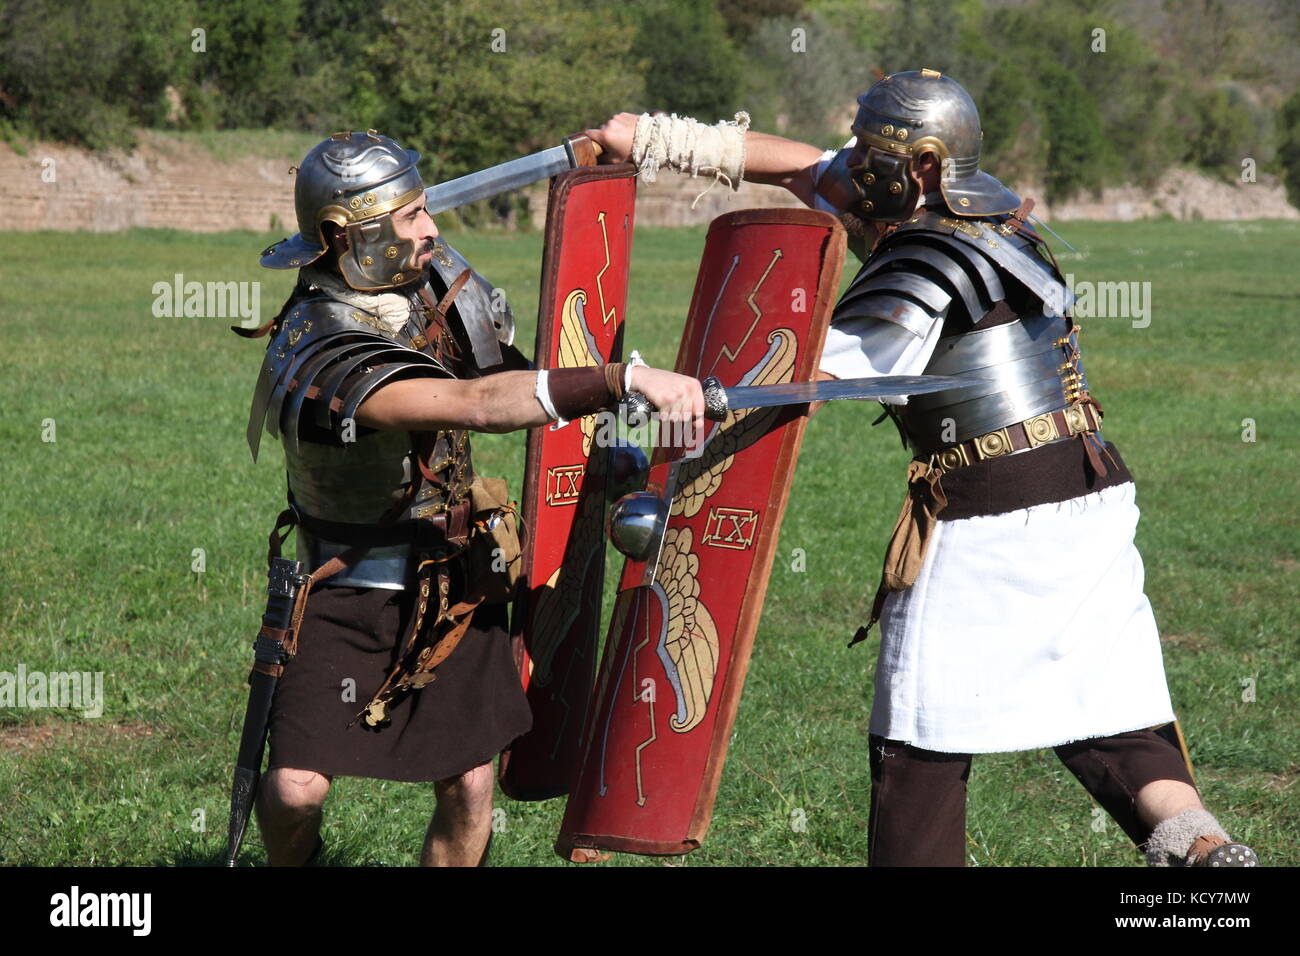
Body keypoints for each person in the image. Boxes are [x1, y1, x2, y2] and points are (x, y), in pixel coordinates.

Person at [585, 71, 1258, 867]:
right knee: (1104, 708)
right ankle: (1200, 849)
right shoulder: (986, 212)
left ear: (925, 163)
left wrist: (636, 397)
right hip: (1089, 488)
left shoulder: (925, 263)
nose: (855, 165)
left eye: (875, 152)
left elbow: (790, 383)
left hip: (994, 513)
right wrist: (659, 141)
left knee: (917, 737)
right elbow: (807, 167)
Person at [244, 129, 703, 866]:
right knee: (293, 790)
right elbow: (477, 405)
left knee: (468, 784)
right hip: (341, 588)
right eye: (410, 218)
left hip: (452, 577)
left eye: (425, 209)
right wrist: (622, 379)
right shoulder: (319, 354)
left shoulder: (432, 289)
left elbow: (517, 376)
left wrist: (608, 424)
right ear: (342, 237)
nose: (431, 229)